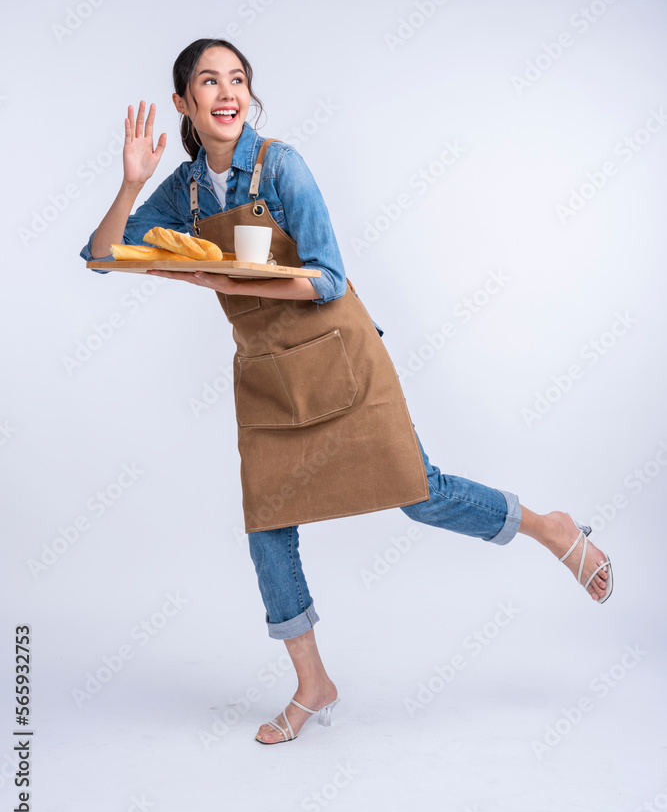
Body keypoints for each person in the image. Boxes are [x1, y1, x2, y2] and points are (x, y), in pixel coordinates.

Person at [80, 37, 613, 745]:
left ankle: (548, 528)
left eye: (237, 78)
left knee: (419, 496)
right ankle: (312, 684)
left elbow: (326, 276)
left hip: (339, 352)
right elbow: (102, 257)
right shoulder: (181, 191)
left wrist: (224, 280)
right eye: (208, 82)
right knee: (267, 527)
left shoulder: (281, 167)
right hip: (269, 371)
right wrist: (128, 183)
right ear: (184, 103)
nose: (226, 91)